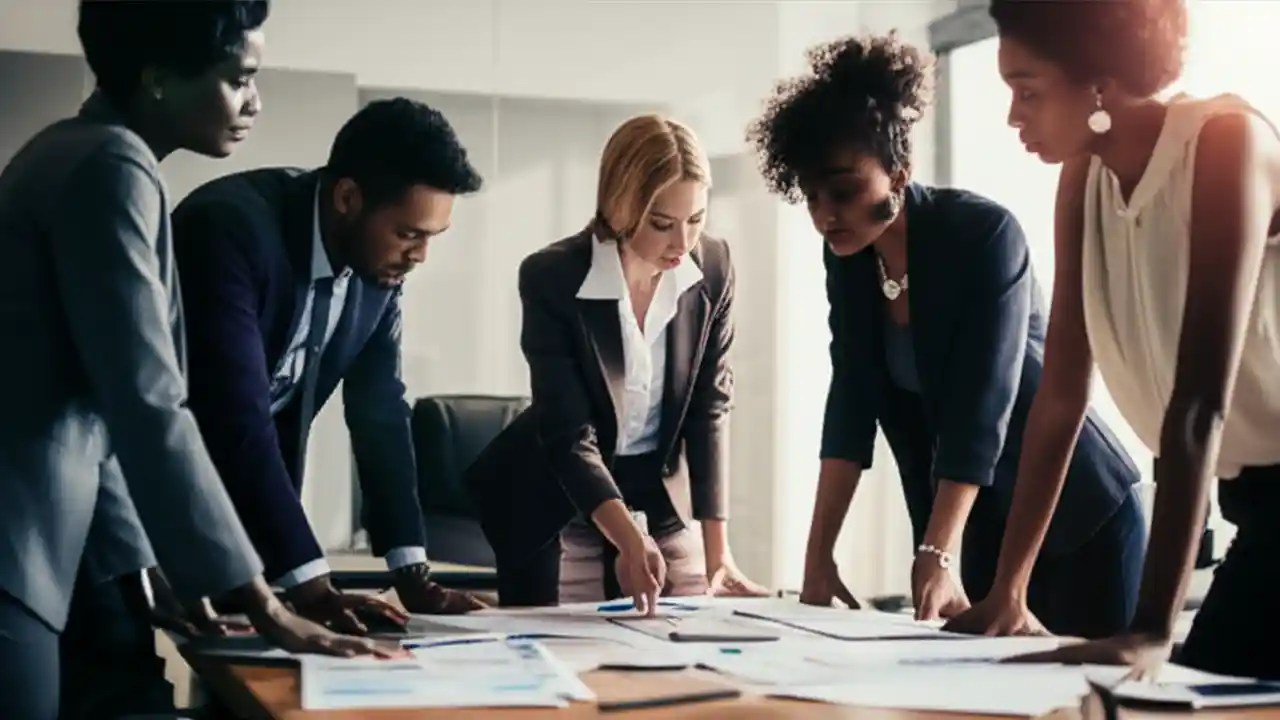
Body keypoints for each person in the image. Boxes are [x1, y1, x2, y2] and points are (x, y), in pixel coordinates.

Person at [0, 2, 394, 719]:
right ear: (156, 79)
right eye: (238, 78)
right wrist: (265, 603)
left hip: (61, 549)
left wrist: (148, 569)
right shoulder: (114, 170)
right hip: (18, 551)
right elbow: (148, 405)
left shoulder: (70, 149)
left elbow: (97, 414)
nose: (255, 102)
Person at [745, 33, 1145, 637]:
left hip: (1076, 520)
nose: (826, 214)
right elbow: (850, 400)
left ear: (899, 173)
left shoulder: (983, 236)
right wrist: (818, 557)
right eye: (812, 195)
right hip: (974, 530)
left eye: (845, 190)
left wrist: (936, 553)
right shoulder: (850, 258)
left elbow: (980, 409)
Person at [947, 0, 1280, 681]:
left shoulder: (1226, 141)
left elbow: (1198, 404)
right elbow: (1063, 391)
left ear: (1099, 83)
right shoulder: (1084, 177)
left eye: (1027, 91)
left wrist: (1152, 628)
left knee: (1205, 683)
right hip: (1261, 506)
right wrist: (1008, 592)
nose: (1014, 116)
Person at [172, 98, 489, 626]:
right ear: (347, 197)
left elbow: (381, 411)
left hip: (250, 521)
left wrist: (413, 575)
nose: (419, 256)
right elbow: (235, 416)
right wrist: (314, 587)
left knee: (252, 681)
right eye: (409, 233)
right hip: (144, 504)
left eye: (431, 237)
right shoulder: (229, 229)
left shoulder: (378, 268)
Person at [468, 115, 768, 610]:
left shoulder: (713, 267)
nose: (683, 243)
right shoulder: (553, 277)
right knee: (570, 646)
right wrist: (629, 540)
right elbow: (568, 433)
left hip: (658, 486)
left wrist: (720, 553)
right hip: (560, 491)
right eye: (662, 223)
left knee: (693, 628)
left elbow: (710, 406)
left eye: (696, 220)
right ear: (622, 204)